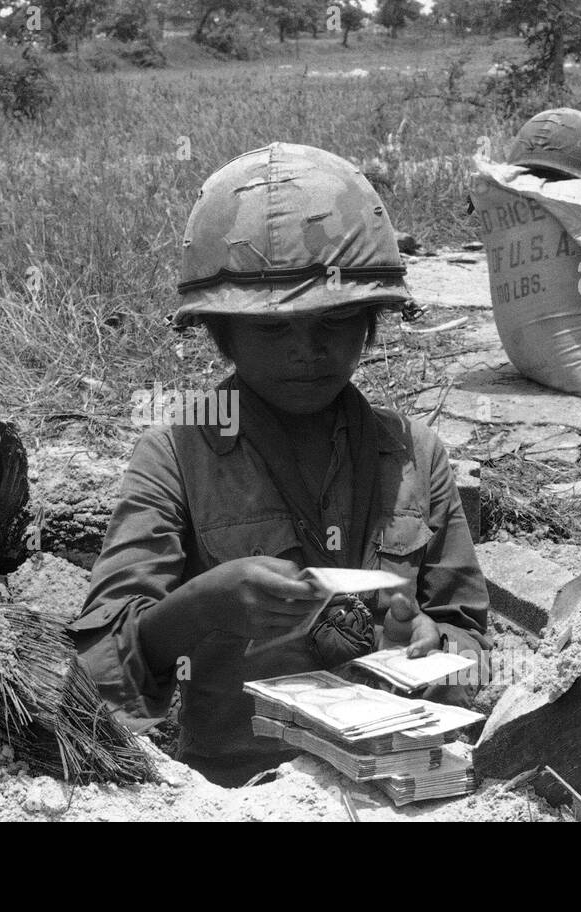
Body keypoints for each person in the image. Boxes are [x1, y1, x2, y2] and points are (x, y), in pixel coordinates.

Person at [70, 143, 492, 788]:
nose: (307, 352)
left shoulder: (414, 455)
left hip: (399, 777)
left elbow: (472, 648)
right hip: (237, 787)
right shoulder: (176, 456)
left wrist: (431, 645)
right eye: (272, 331)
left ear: (372, 325)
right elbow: (101, 673)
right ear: (221, 333)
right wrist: (202, 605)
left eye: (337, 322)